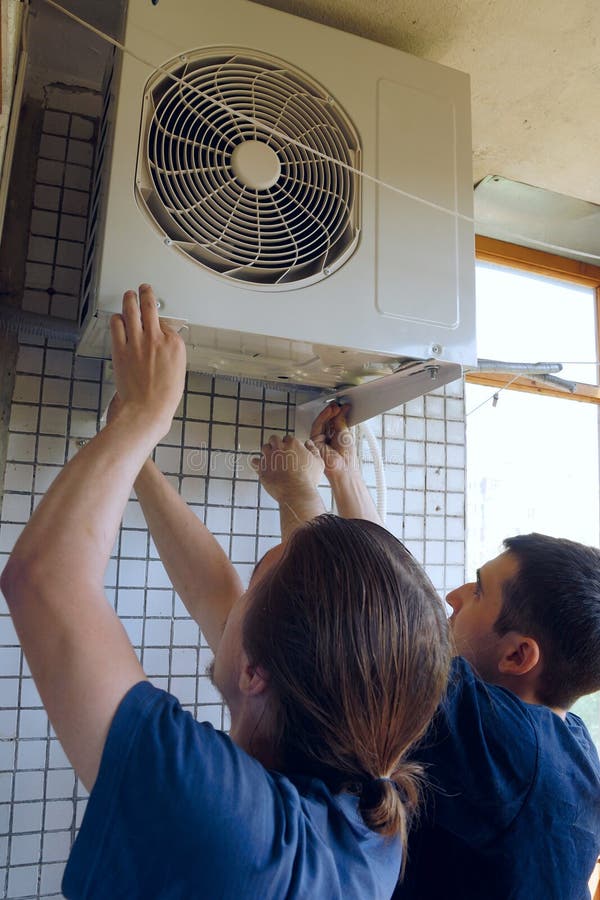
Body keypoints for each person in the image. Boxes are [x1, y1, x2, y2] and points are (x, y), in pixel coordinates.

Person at [0, 286, 452, 899]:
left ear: (256, 673)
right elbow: (225, 598)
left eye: (259, 579)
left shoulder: (230, 825)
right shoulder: (367, 808)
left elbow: (44, 581)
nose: (240, 591)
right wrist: (134, 456)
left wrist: (143, 417)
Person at [260, 402, 600, 900]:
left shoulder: (503, 746)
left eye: (479, 591)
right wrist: (345, 476)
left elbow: (360, 622)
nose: (454, 595)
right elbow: (399, 607)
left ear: (517, 657)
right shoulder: (563, 741)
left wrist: (297, 491)